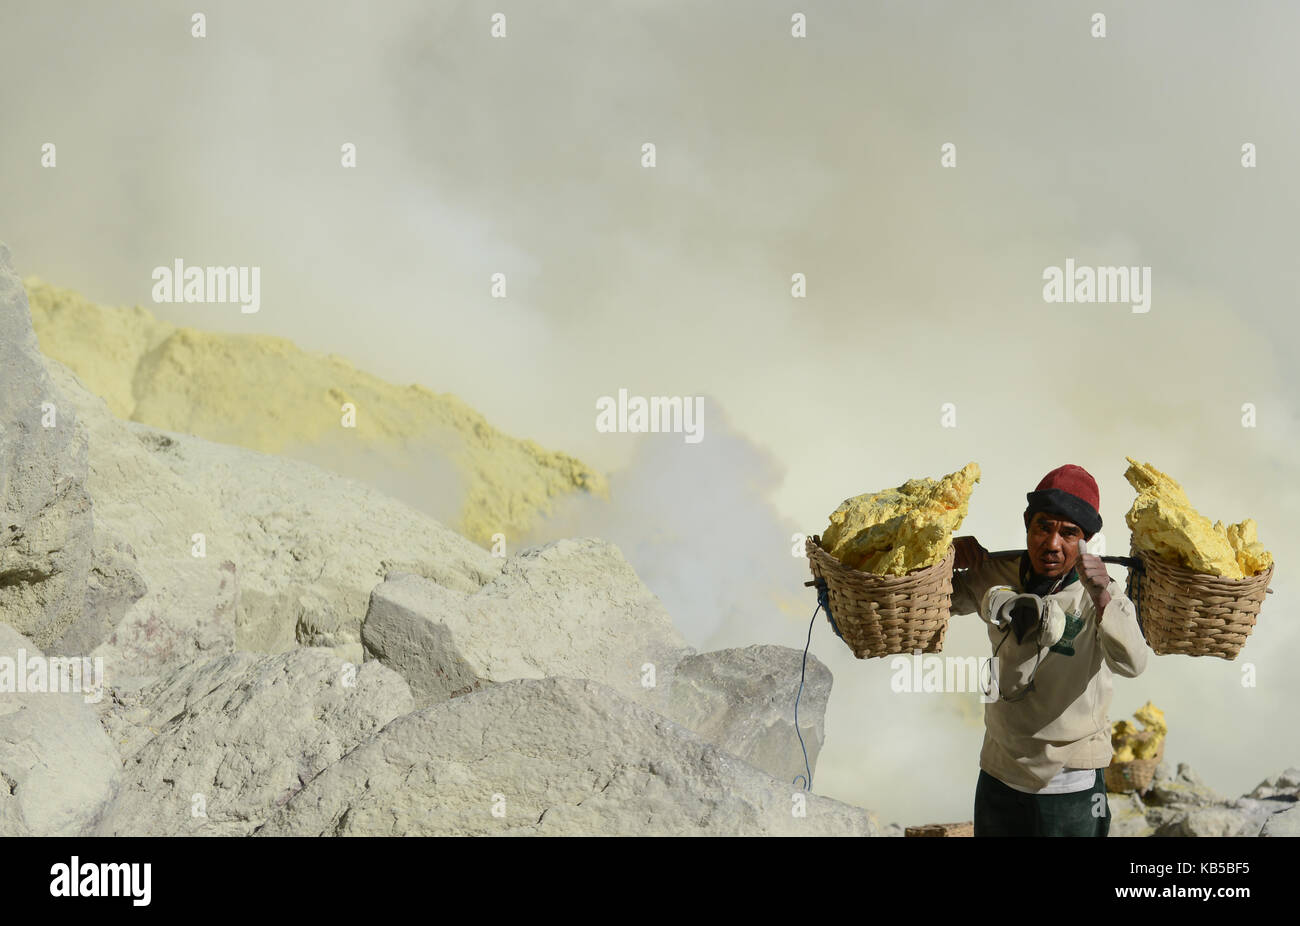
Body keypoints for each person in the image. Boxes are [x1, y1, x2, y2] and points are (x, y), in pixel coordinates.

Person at [950, 464, 1149, 837]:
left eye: (1069, 533)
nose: (1053, 544)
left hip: (1070, 780)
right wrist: (942, 558)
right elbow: (929, 602)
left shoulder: (1102, 594)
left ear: (1086, 541)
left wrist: (1102, 597)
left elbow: (1133, 663)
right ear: (1028, 525)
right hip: (999, 768)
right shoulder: (994, 573)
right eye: (1043, 527)